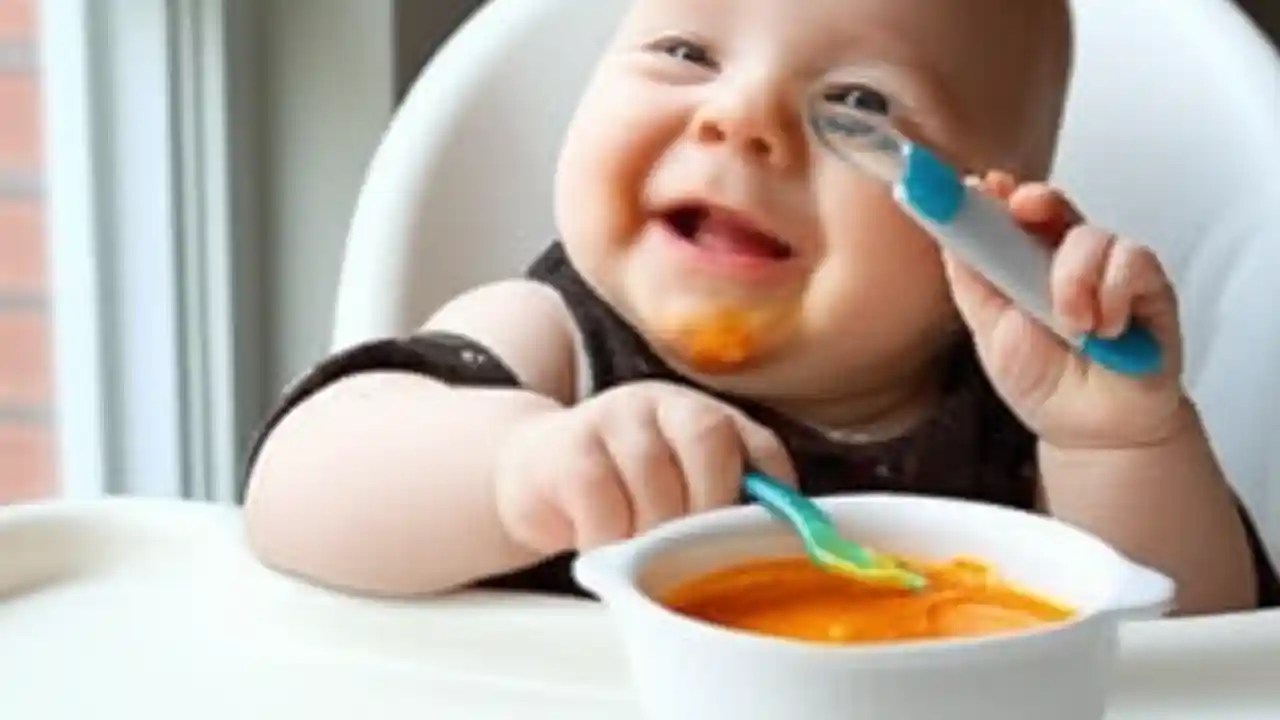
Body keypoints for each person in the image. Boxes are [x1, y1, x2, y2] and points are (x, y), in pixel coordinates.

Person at [242, 0, 1279, 614]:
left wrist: (1116, 440)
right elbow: (296, 491)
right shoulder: (555, 343)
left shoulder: (1025, 421)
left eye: (861, 107)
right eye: (687, 52)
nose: (739, 119)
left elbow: (1191, 654)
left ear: (983, 221)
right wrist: (520, 471)